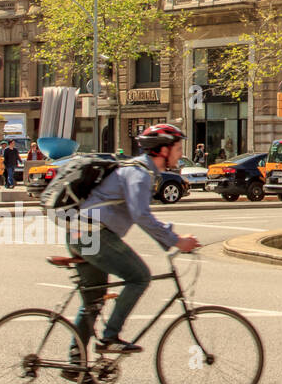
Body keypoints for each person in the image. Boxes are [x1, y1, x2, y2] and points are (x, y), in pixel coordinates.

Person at [66, 123, 199, 356]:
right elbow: (141, 215)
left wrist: (168, 240)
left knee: (93, 299)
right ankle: (109, 338)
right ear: (163, 151)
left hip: (80, 233)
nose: (180, 154)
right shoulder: (139, 174)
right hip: (92, 234)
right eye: (177, 148)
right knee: (139, 277)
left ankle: (75, 362)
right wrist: (175, 240)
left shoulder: (138, 171)